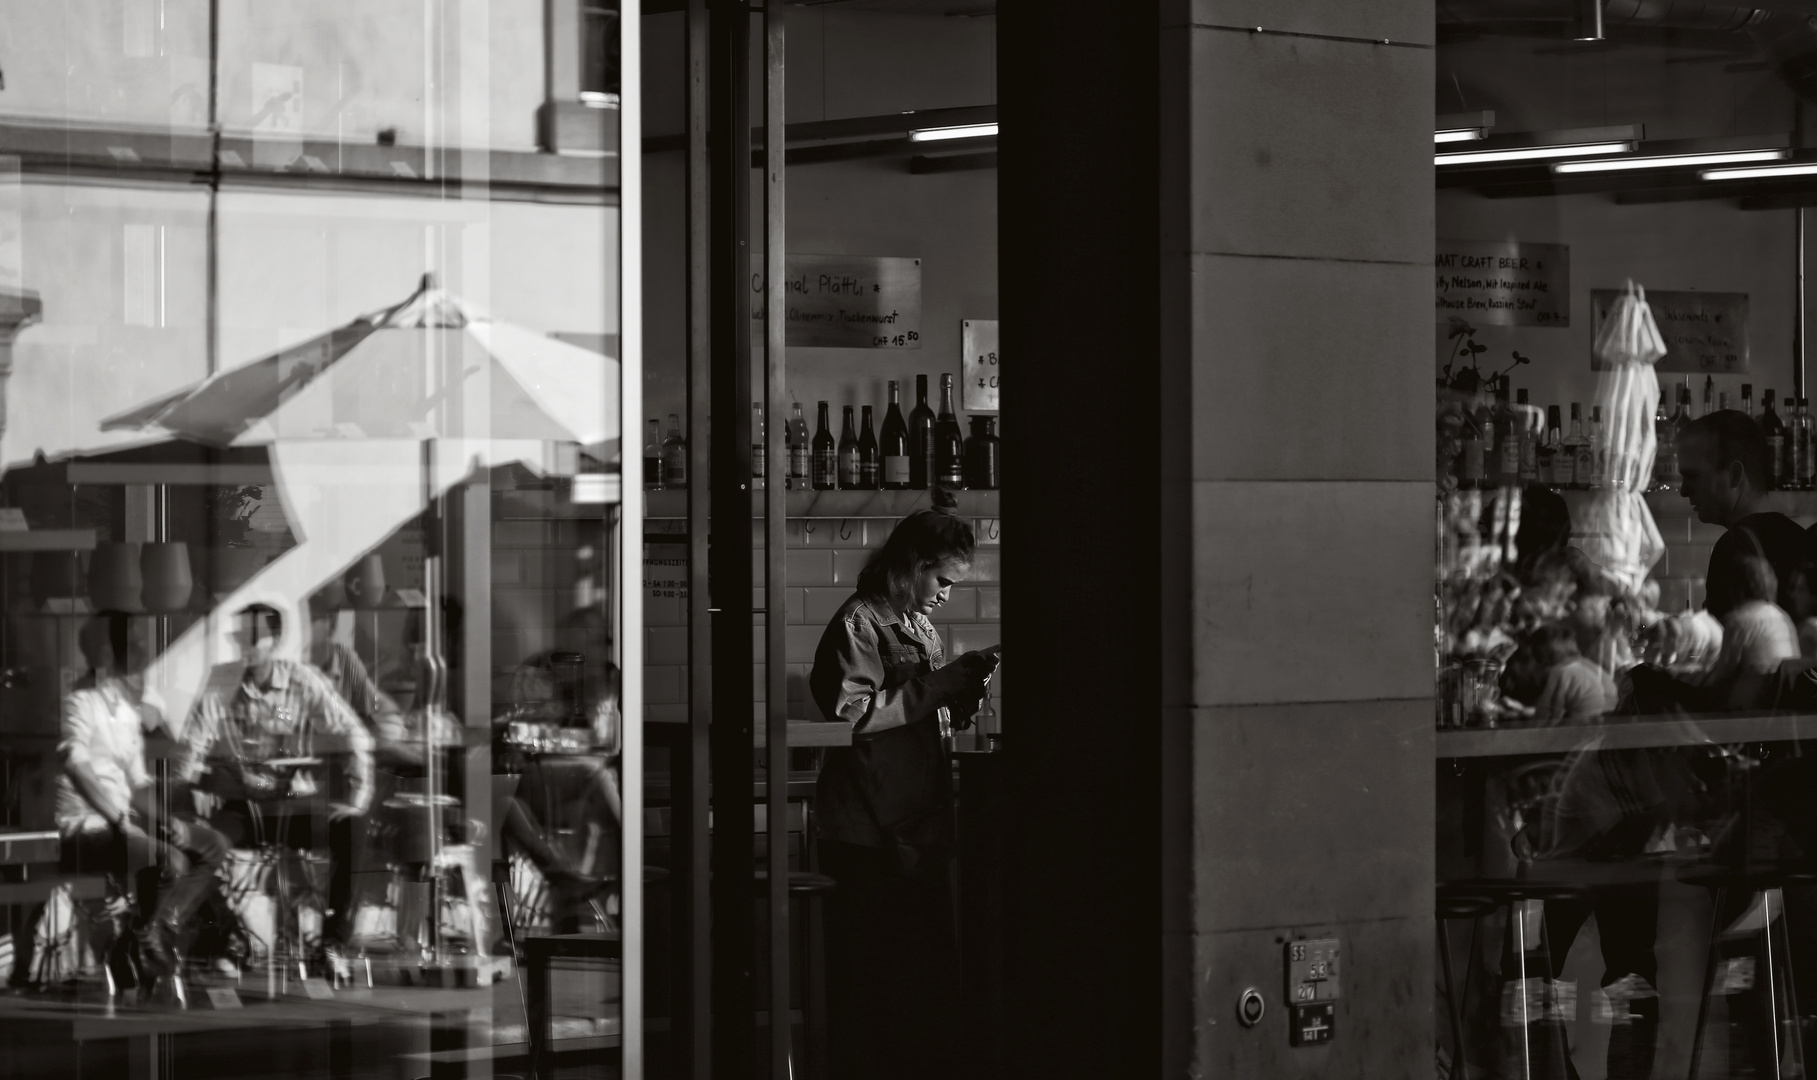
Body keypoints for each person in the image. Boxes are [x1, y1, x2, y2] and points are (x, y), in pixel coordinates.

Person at [808, 488, 998, 1080]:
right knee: (871, 984)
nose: (948, 593)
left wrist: (960, 697)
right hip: (866, 830)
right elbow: (852, 717)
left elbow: (916, 718)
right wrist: (938, 689)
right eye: (942, 579)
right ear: (913, 567)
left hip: (911, 823)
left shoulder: (919, 627)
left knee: (915, 980)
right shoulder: (860, 622)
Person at [180, 602, 373, 957]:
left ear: (276, 640)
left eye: (254, 638)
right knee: (194, 844)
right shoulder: (223, 679)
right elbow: (195, 739)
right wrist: (187, 790)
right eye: (240, 638)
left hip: (290, 804)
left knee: (353, 828)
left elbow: (353, 734)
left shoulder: (301, 681)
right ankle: (226, 936)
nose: (245, 647)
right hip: (243, 807)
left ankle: (333, 942)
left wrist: (357, 797)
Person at [58, 612, 229, 980]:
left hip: (124, 821)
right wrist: (120, 823)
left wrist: (167, 822)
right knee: (168, 859)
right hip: (86, 827)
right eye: (135, 643)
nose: (143, 650)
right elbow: (76, 766)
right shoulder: (80, 702)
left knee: (211, 845)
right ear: (107, 652)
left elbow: (136, 783)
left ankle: (153, 930)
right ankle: (142, 941)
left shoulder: (122, 708)